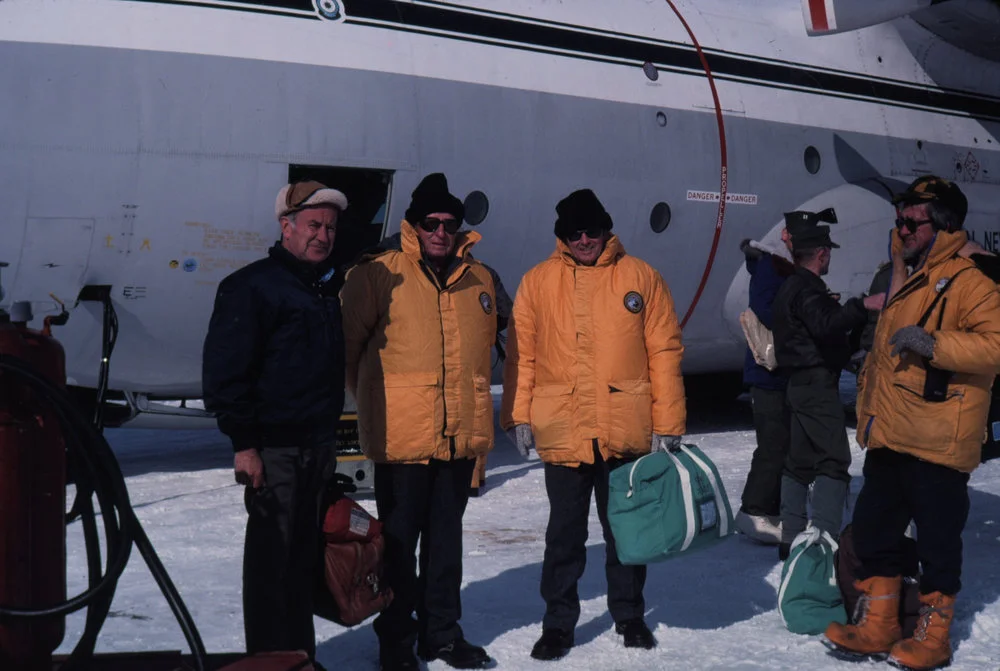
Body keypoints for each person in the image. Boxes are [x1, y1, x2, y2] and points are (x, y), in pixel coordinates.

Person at [501, 188, 686, 661]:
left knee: (626, 530)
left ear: (607, 229)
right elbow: (524, 357)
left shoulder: (640, 277)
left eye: (593, 230)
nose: (585, 239)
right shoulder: (537, 282)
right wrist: (519, 414)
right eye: (574, 232)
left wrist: (668, 421)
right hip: (563, 426)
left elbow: (663, 352)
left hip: (625, 427)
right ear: (562, 237)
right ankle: (558, 624)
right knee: (564, 535)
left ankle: (630, 615)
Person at [825, 177, 1000, 671]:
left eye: (910, 221)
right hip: (892, 432)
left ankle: (935, 635)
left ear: (941, 224)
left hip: (939, 438)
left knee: (937, 542)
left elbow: (995, 345)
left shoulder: (975, 277)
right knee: (876, 530)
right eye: (897, 220)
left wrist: (935, 344)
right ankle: (879, 625)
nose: (900, 229)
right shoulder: (908, 273)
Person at [340, 173, 497, 671]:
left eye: (451, 223)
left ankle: (442, 635)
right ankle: (396, 641)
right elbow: (347, 348)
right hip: (402, 437)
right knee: (399, 548)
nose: (441, 231)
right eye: (431, 222)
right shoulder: (377, 273)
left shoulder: (480, 279)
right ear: (413, 224)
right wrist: (376, 402)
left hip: (459, 437)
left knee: (446, 546)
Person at [202, 180, 348, 662]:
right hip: (274, 451)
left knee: (301, 561)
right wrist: (244, 445)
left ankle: (298, 656)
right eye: (313, 225)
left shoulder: (322, 289)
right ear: (286, 227)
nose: (322, 235)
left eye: (329, 227)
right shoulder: (252, 287)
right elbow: (226, 376)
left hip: (315, 448)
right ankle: (269, 661)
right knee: (271, 566)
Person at [771, 208, 883, 560]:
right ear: (821, 254)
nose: (830, 255)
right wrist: (862, 305)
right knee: (833, 461)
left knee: (799, 461)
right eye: (829, 250)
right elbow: (825, 324)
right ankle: (825, 540)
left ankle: (790, 536)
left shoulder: (791, 286)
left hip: (800, 385)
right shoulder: (807, 290)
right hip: (816, 386)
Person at [734, 227, 795, 544]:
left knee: (781, 442)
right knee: (773, 445)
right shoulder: (773, 265)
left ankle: (769, 509)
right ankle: (753, 510)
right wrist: (802, 314)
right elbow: (764, 308)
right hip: (767, 372)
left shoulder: (780, 264)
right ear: (786, 236)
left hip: (776, 372)